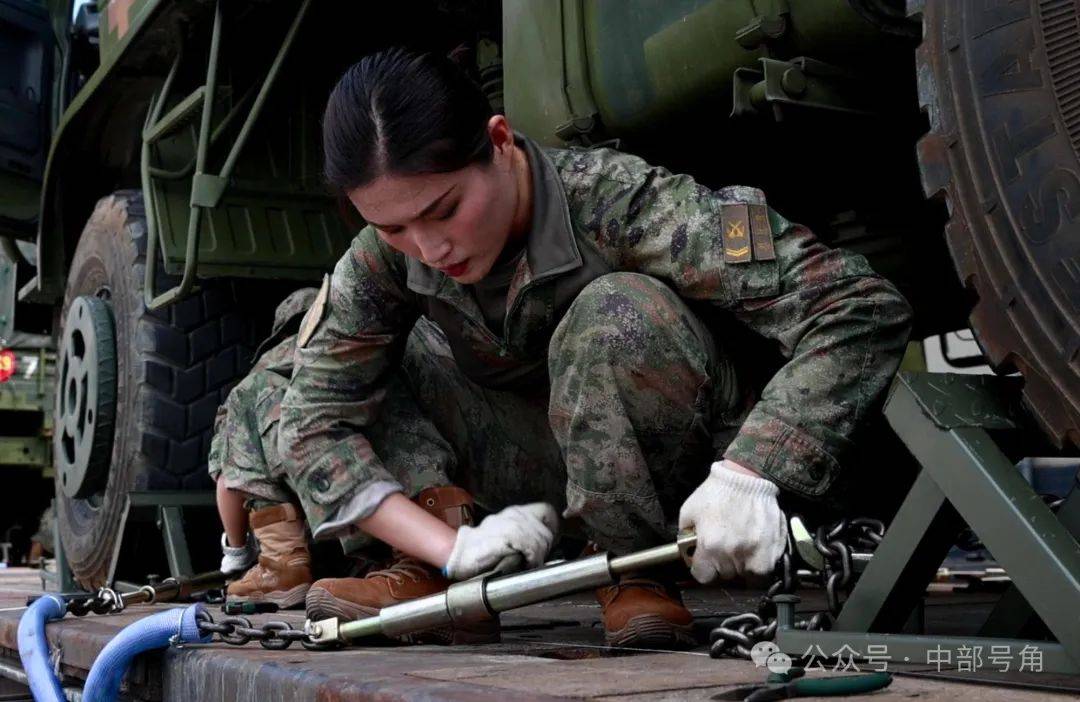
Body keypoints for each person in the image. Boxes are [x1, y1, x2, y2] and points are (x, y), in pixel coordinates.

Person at [278, 47, 913, 648]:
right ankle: (442, 567)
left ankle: (631, 571)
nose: (430, 249)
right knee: (353, 356)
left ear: (499, 143)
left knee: (615, 310)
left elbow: (858, 306)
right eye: (392, 228)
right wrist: (446, 549)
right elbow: (312, 421)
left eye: (445, 210)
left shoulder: (620, 202)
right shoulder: (384, 263)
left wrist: (753, 471)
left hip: (683, 489)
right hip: (521, 493)